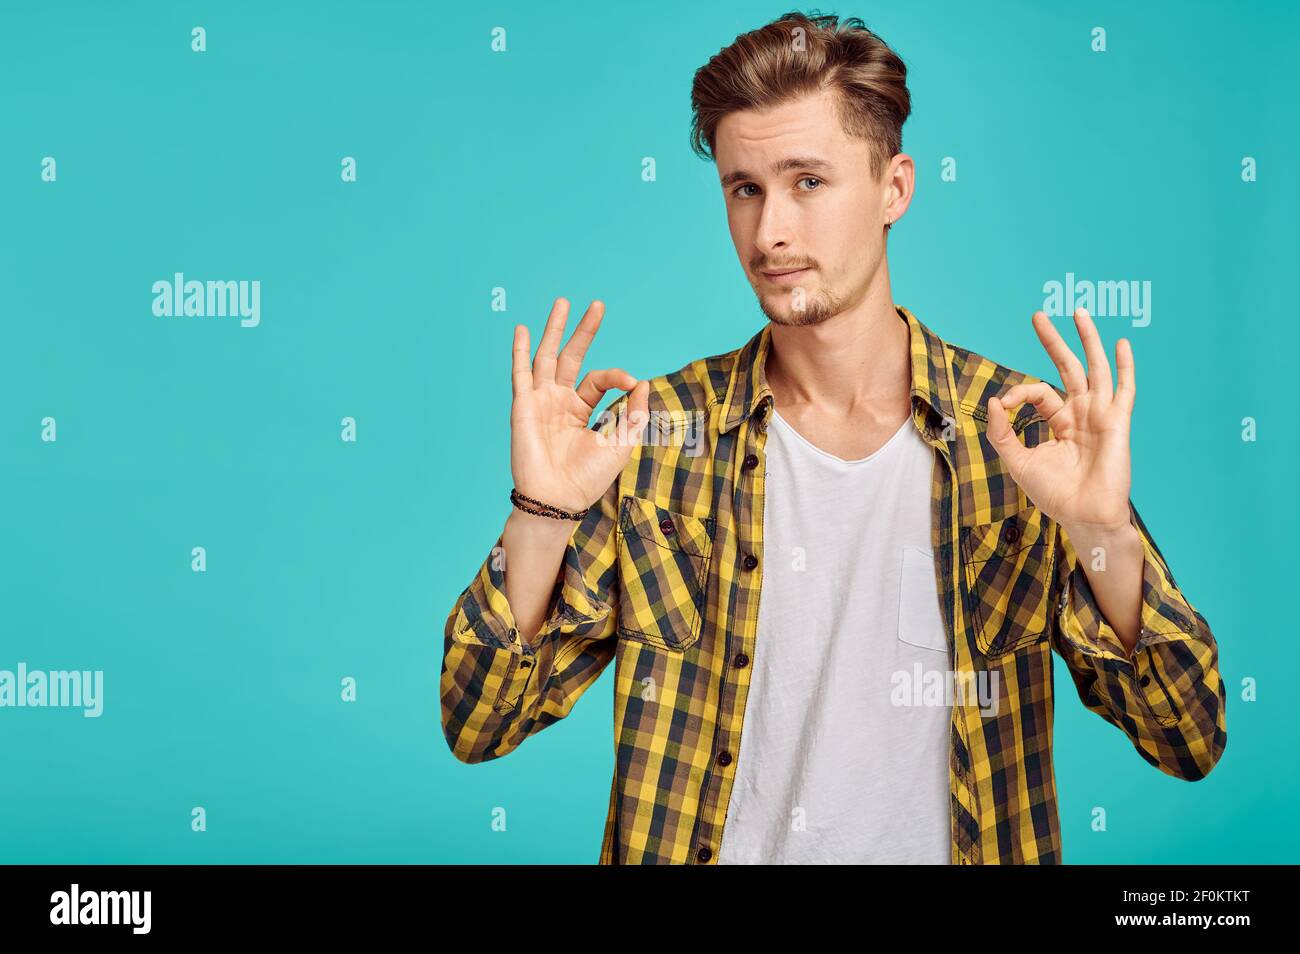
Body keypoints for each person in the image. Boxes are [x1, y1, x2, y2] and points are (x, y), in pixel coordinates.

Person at [440, 11, 1226, 864]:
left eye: (808, 182)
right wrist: (543, 514)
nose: (770, 231)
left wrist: (1102, 534)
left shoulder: (1022, 438)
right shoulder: (656, 435)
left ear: (895, 188)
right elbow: (480, 724)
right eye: (745, 188)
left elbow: (1186, 738)